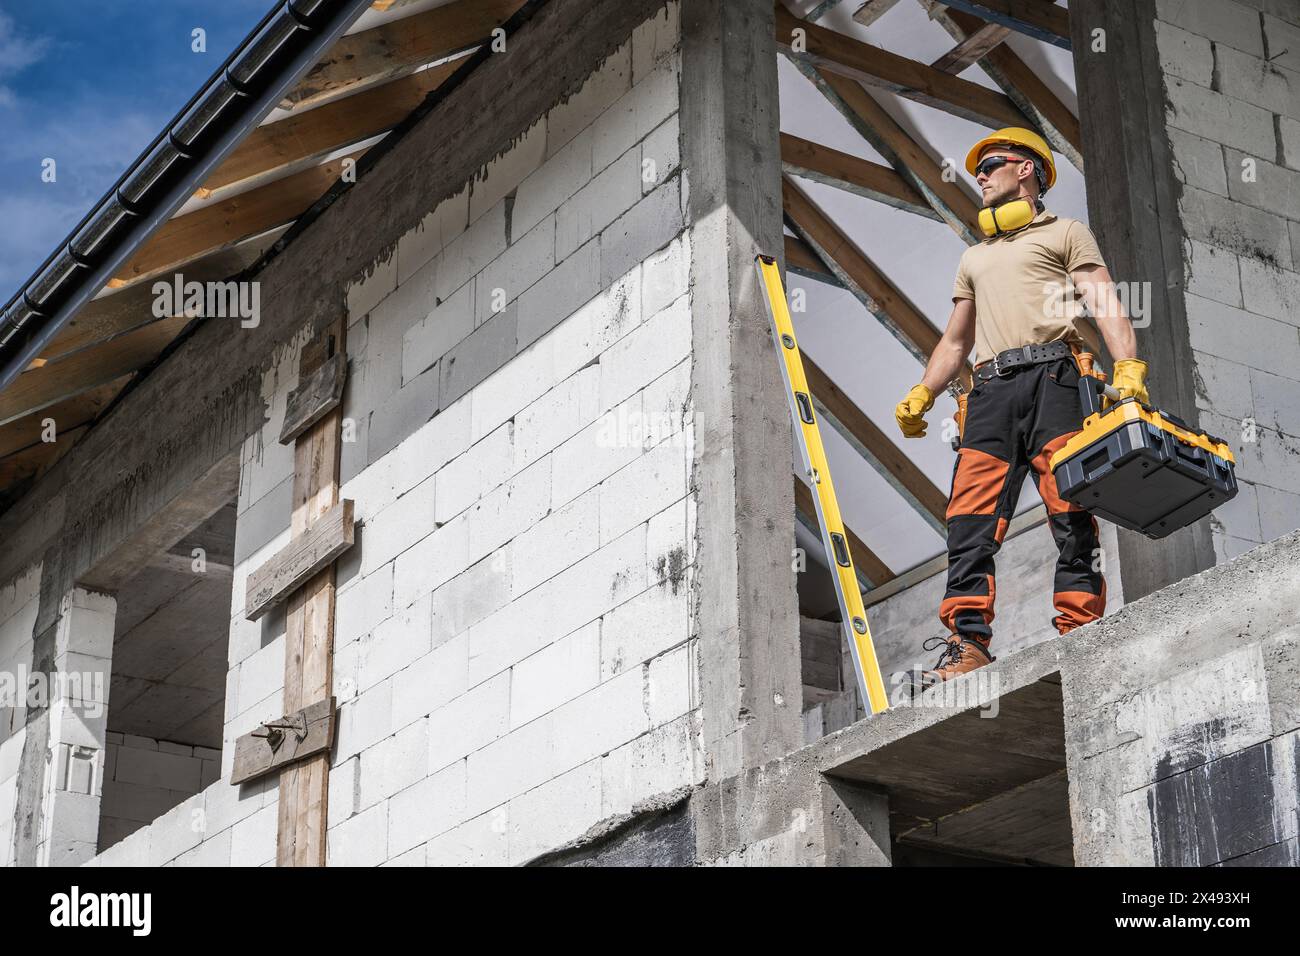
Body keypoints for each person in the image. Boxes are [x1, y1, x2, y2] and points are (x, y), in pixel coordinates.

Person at [894, 127, 1149, 685]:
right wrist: (925, 390)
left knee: (1071, 511)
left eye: (991, 165)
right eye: (979, 170)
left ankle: (1080, 635)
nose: (979, 176)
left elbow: (1104, 301)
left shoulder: (1064, 233)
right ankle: (968, 647)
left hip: (1055, 380)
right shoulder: (974, 259)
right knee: (968, 522)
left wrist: (1128, 366)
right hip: (988, 394)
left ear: (1026, 170)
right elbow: (956, 342)